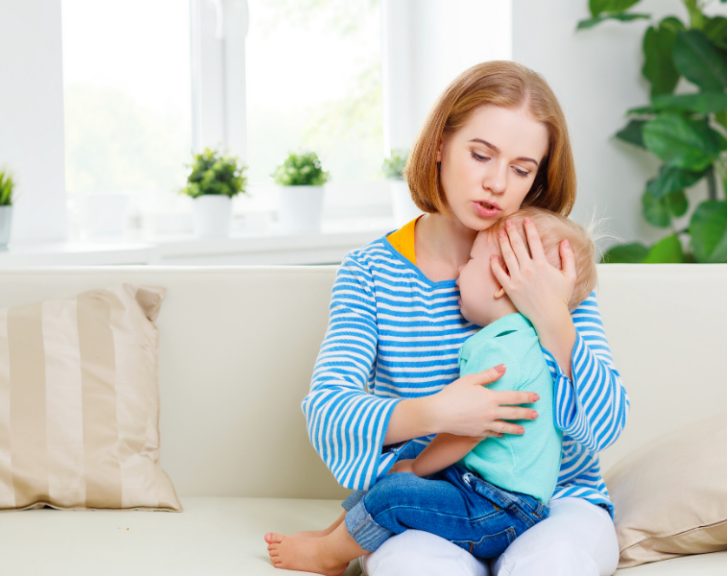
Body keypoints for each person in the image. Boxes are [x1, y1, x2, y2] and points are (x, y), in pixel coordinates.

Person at [267, 60, 628, 576]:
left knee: (555, 564)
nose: (497, 183)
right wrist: (438, 413)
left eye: (522, 169)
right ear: (439, 145)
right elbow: (328, 410)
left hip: (557, 503)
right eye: (480, 154)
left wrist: (554, 319)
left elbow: (607, 425)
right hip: (435, 504)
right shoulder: (371, 272)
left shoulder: (548, 264)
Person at [264, 208, 599, 575]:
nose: (459, 271)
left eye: (470, 261)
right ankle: (331, 535)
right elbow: (330, 404)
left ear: (503, 282)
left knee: (397, 490)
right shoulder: (512, 339)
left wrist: (417, 467)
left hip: (503, 506)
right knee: (398, 467)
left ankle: (329, 555)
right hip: (483, 489)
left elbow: (470, 430)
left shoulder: (502, 350)